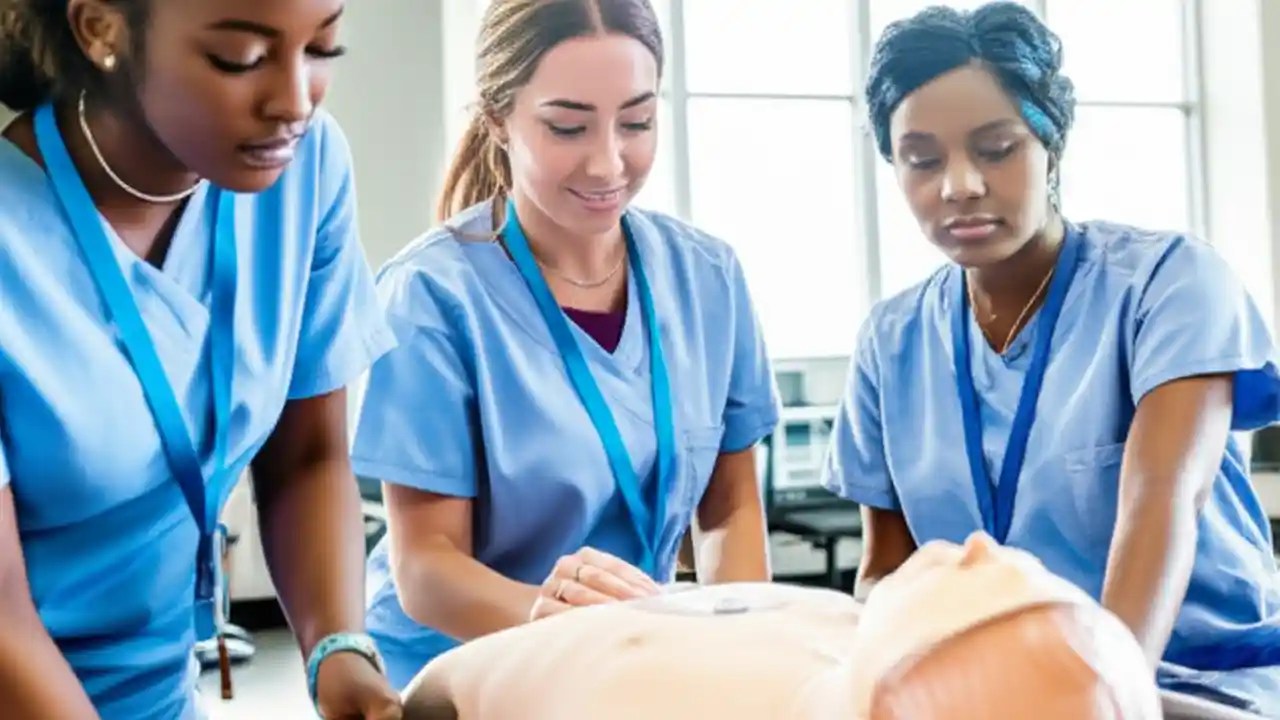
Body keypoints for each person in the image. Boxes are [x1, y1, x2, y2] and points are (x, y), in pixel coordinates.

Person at [822, 2, 1280, 715]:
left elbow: (1162, 502)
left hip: (1190, 682)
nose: (960, 185)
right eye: (922, 160)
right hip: (991, 696)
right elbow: (888, 573)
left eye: (996, 149)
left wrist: (1101, 697)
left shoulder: (1170, 284)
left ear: (1051, 146)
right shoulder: (892, 340)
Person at [350, 0, 780, 690]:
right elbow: (426, 568)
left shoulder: (708, 278)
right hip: (463, 667)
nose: (609, 161)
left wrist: (734, 641)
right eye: (568, 126)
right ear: (497, 117)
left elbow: (729, 504)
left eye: (637, 122)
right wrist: (574, 629)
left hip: (635, 657)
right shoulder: (431, 297)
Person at [0, 1, 402, 718]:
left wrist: (340, 651)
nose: (293, 101)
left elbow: (307, 456)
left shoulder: (305, 171)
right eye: (241, 59)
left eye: (322, 49)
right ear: (101, 29)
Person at [397, 532, 1166, 720]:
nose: (979, 545)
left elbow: (436, 698)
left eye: (976, 583)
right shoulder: (856, 632)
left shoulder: (647, 693)